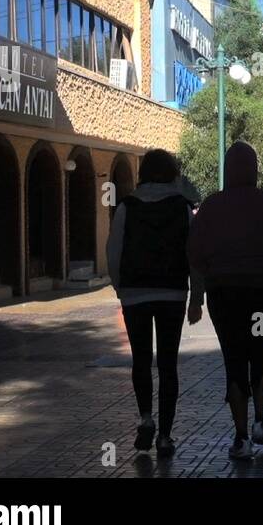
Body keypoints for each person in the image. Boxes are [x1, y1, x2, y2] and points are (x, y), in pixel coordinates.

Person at [188, 142, 263, 460]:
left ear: (227, 169)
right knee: (260, 350)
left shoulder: (212, 206)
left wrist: (211, 276)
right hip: (261, 293)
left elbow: (193, 252)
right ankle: (261, 421)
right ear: (254, 169)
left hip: (224, 295)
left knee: (234, 359)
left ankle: (240, 437)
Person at [106, 149, 203, 458]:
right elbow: (194, 255)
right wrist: (197, 298)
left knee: (141, 359)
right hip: (172, 292)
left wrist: (121, 288)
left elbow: (113, 251)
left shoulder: (126, 207)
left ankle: (145, 417)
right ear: (172, 172)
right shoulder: (182, 208)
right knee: (168, 365)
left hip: (136, 292)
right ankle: (164, 436)